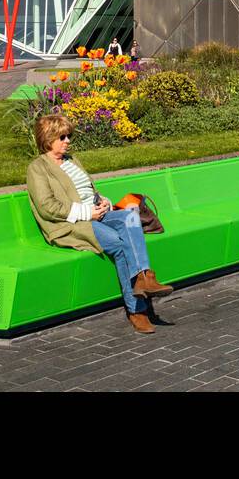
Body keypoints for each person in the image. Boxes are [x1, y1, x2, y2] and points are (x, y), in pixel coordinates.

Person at [25, 113, 172, 334]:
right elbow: (47, 206)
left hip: (95, 213)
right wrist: (87, 212)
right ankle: (137, 310)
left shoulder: (72, 160)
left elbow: (88, 190)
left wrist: (103, 202)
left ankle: (145, 277)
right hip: (69, 223)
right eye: (62, 137)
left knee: (130, 216)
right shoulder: (38, 168)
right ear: (48, 138)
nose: (68, 141)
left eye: (69, 136)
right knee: (119, 242)